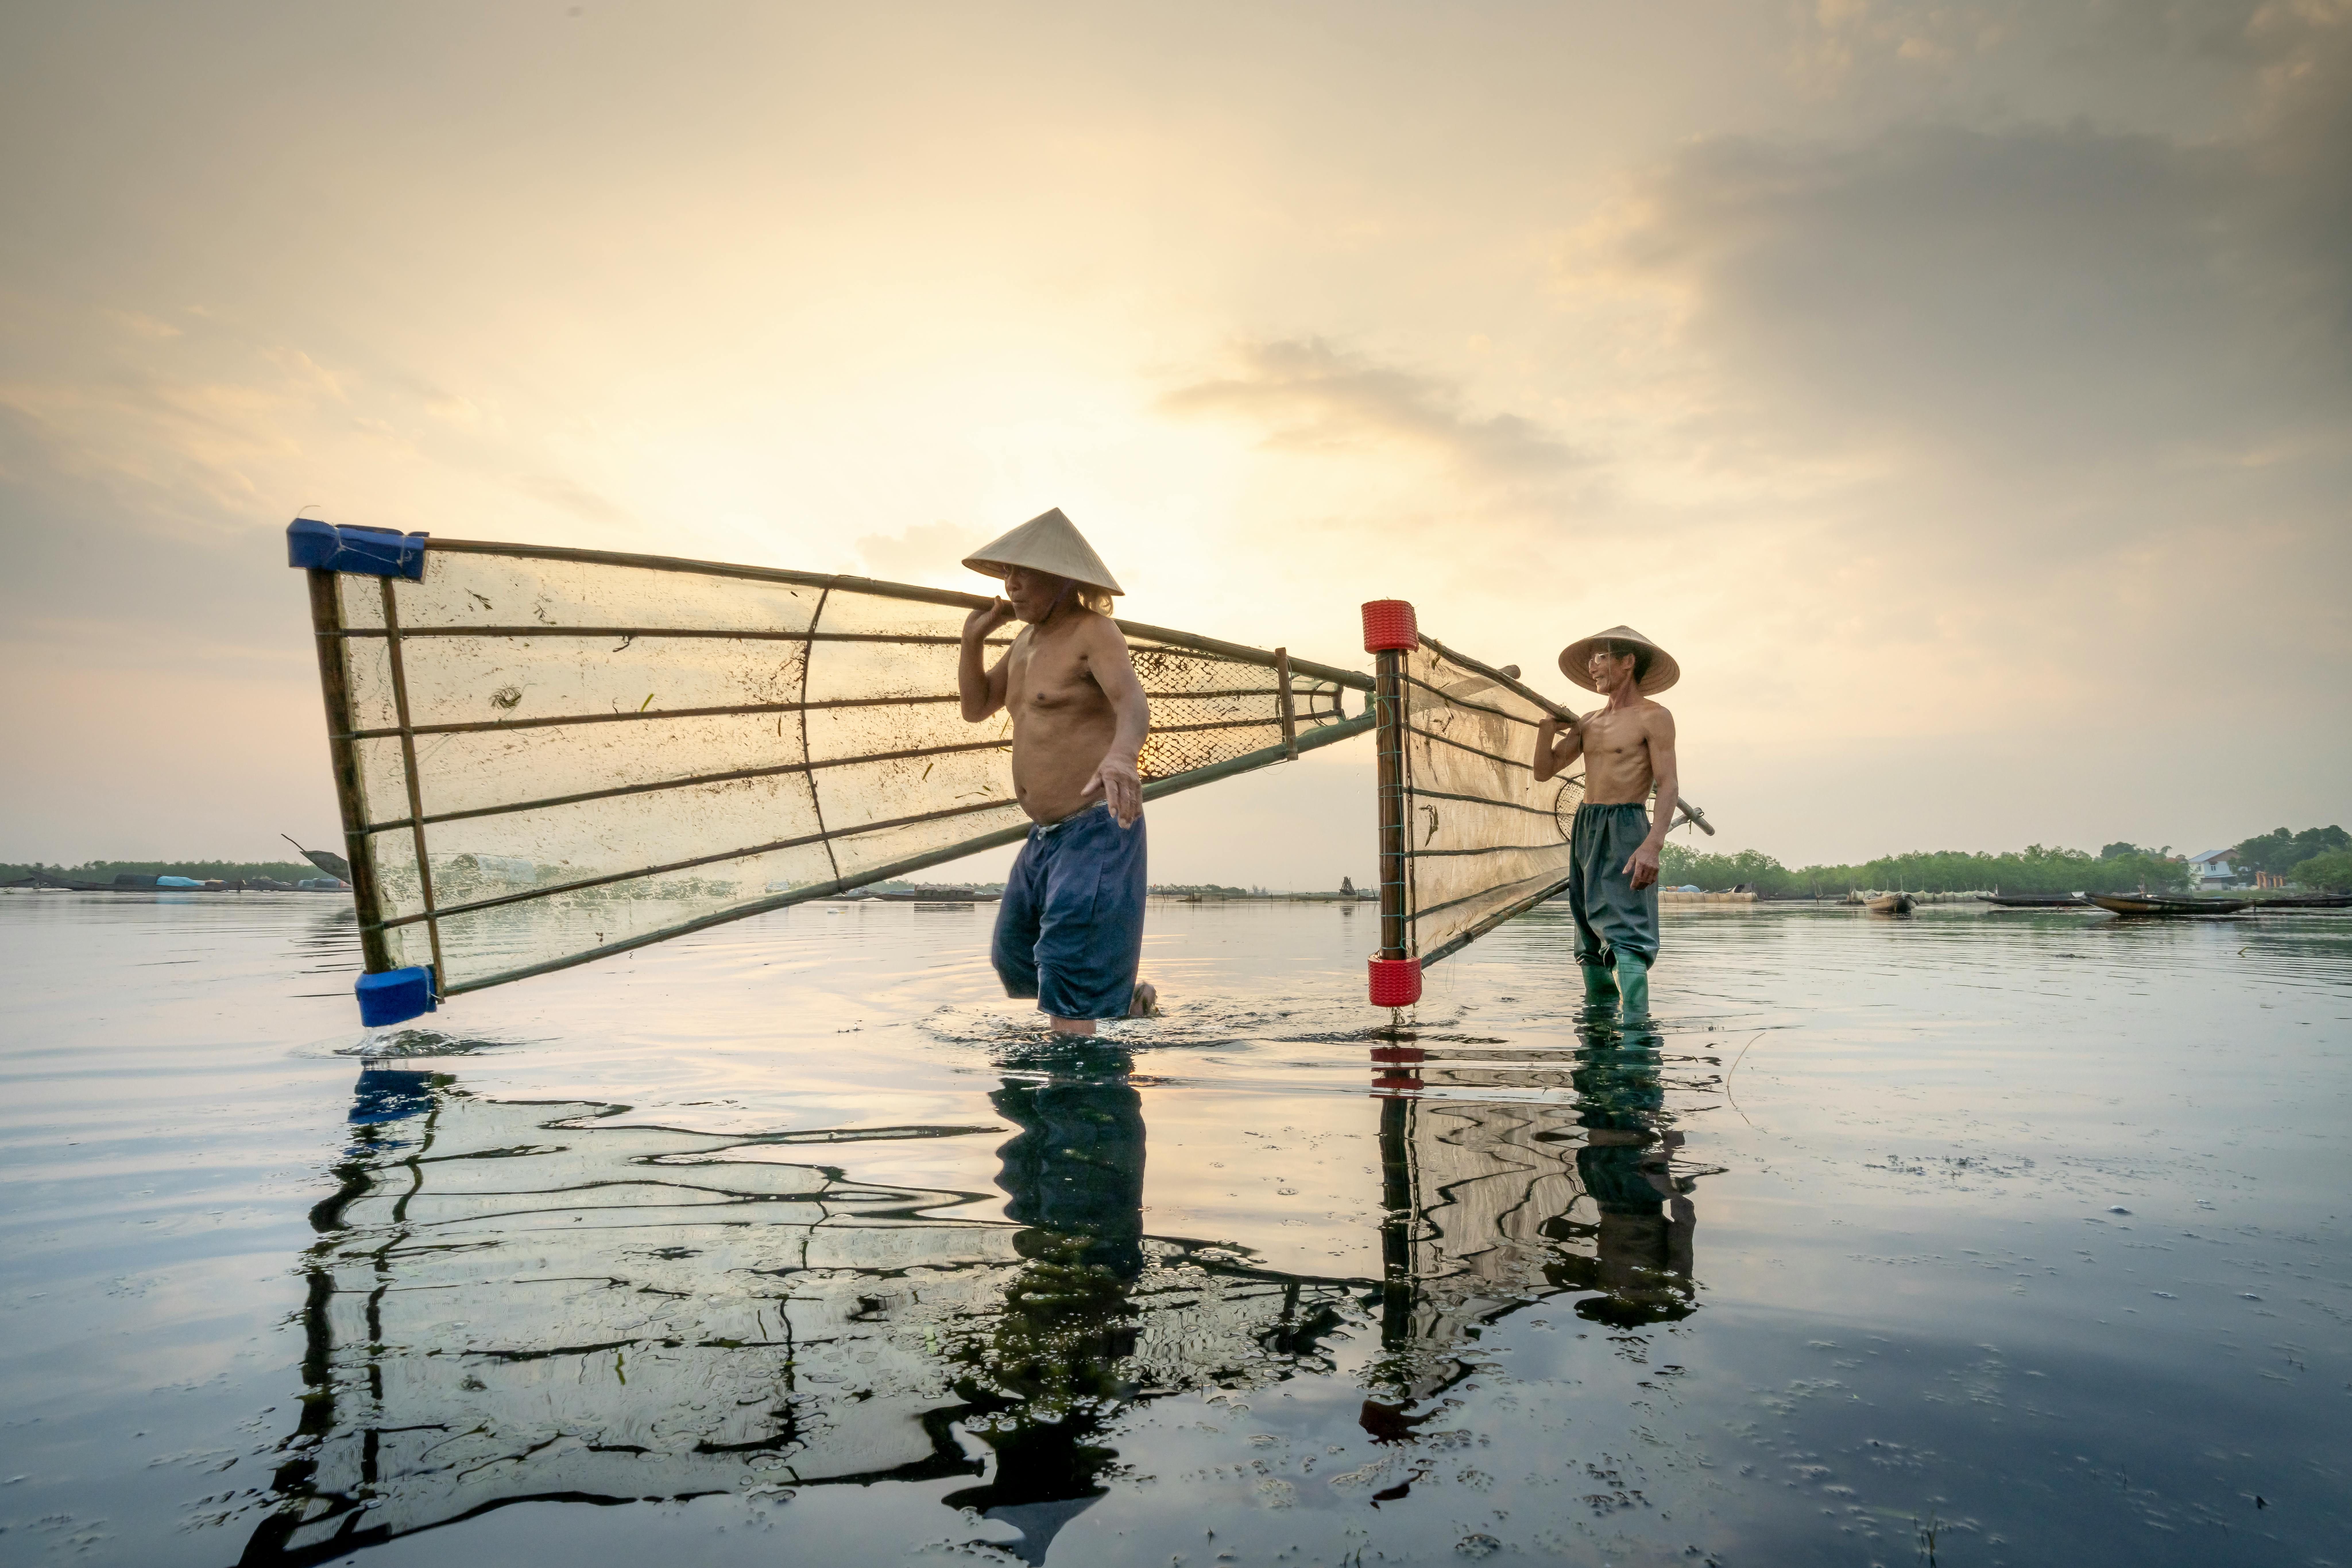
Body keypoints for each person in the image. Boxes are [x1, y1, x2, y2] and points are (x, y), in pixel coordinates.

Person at [958, 508, 1158, 1034]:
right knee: (1014, 956)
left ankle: (1080, 1077)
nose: (1012, 584)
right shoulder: (1025, 642)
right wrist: (973, 641)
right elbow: (978, 707)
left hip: (1093, 826)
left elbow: (1132, 702)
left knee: (1068, 972)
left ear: (1065, 577)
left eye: (1024, 573)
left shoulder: (1094, 630)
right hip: (1044, 836)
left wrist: (1122, 756)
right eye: (1007, 573)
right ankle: (1123, 1002)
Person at [1531, 625, 1681, 1015]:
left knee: (1625, 935)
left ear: (1627, 661)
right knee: (1587, 935)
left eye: (1600, 657)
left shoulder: (1654, 717)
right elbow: (1544, 771)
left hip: (1627, 826)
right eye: (1591, 660)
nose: (1592, 666)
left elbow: (1668, 785)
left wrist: (1653, 844)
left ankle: (1637, 1044)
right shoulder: (1588, 722)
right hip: (1586, 827)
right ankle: (1598, 1037)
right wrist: (1546, 730)